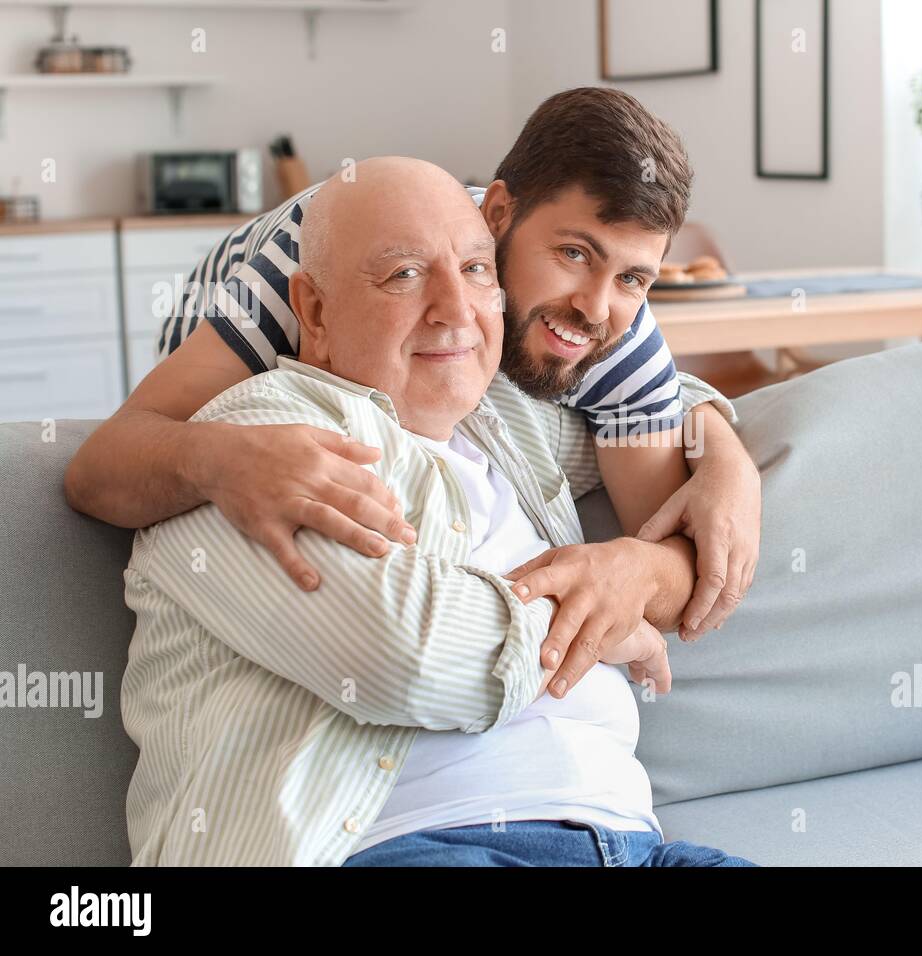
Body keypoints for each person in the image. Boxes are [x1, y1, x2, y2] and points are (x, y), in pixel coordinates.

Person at [122, 157, 755, 867]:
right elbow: (404, 655)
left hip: (636, 847)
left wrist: (724, 455)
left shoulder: (509, 423)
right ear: (317, 314)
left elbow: (653, 414)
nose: (456, 310)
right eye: (404, 274)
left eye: (478, 271)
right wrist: (605, 619)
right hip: (409, 846)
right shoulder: (255, 443)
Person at [65, 90, 762, 695]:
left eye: (633, 278)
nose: (594, 307)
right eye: (571, 254)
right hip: (225, 324)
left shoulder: (609, 328)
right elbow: (103, 466)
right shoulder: (320, 260)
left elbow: (673, 558)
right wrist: (221, 458)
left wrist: (712, 477)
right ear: (497, 217)